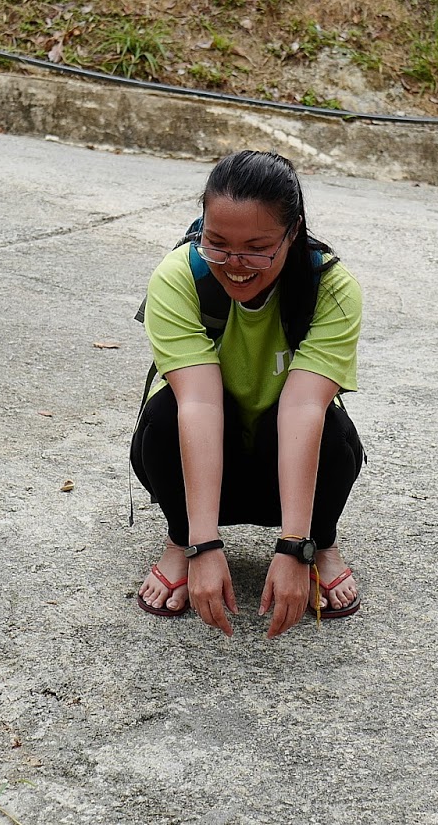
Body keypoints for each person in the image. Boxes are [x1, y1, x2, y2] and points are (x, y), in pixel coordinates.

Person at [131, 151, 366, 639]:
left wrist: (293, 545)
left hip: (283, 458)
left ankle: (322, 544)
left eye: (257, 248)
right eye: (216, 244)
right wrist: (202, 545)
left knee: (337, 434)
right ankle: (180, 537)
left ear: (293, 232)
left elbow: (304, 407)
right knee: (163, 420)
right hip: (208, 453)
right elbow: (199, 403)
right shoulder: (178, 277)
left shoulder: (332, 288)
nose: (235, 266)